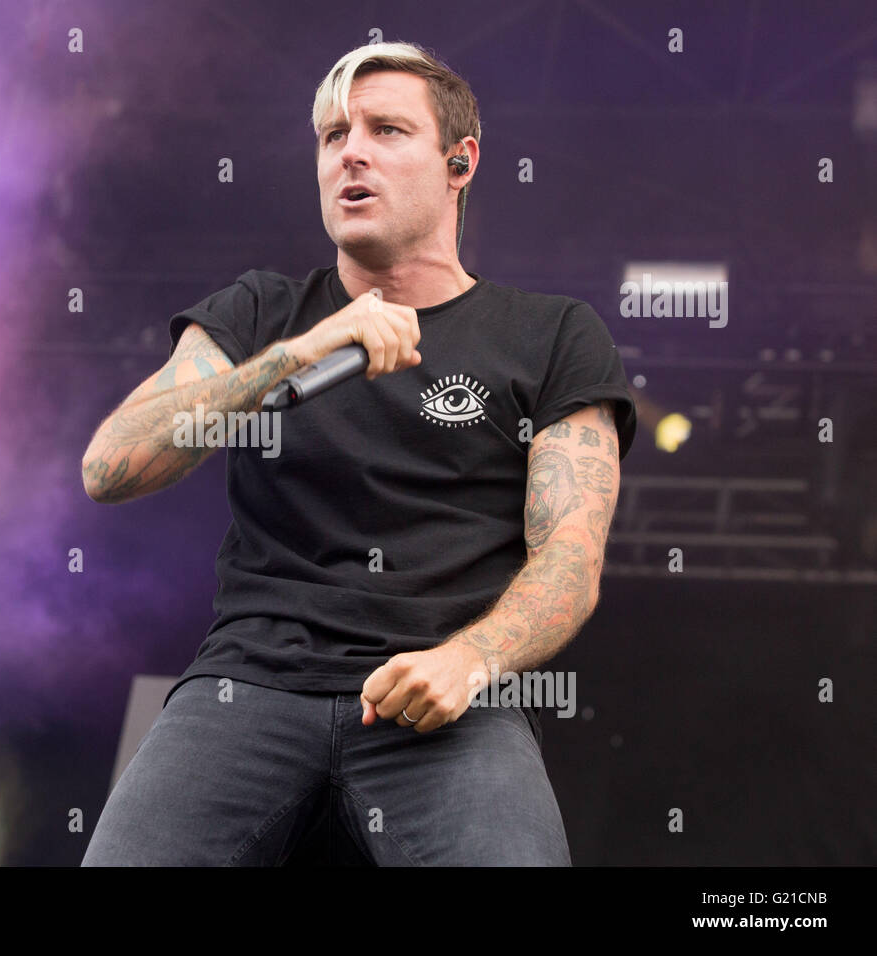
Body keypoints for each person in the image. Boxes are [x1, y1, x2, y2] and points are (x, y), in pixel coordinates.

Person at [79, 41, 637, 866]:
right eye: (333, 135)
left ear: (460, 161)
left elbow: (570, 560)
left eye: (386, 130)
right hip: (249, 683)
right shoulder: (263, 309)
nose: (352, 153)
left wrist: (468, 661)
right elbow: (109, 466)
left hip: (448, 701)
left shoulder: (552, 335)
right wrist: (294, 355)